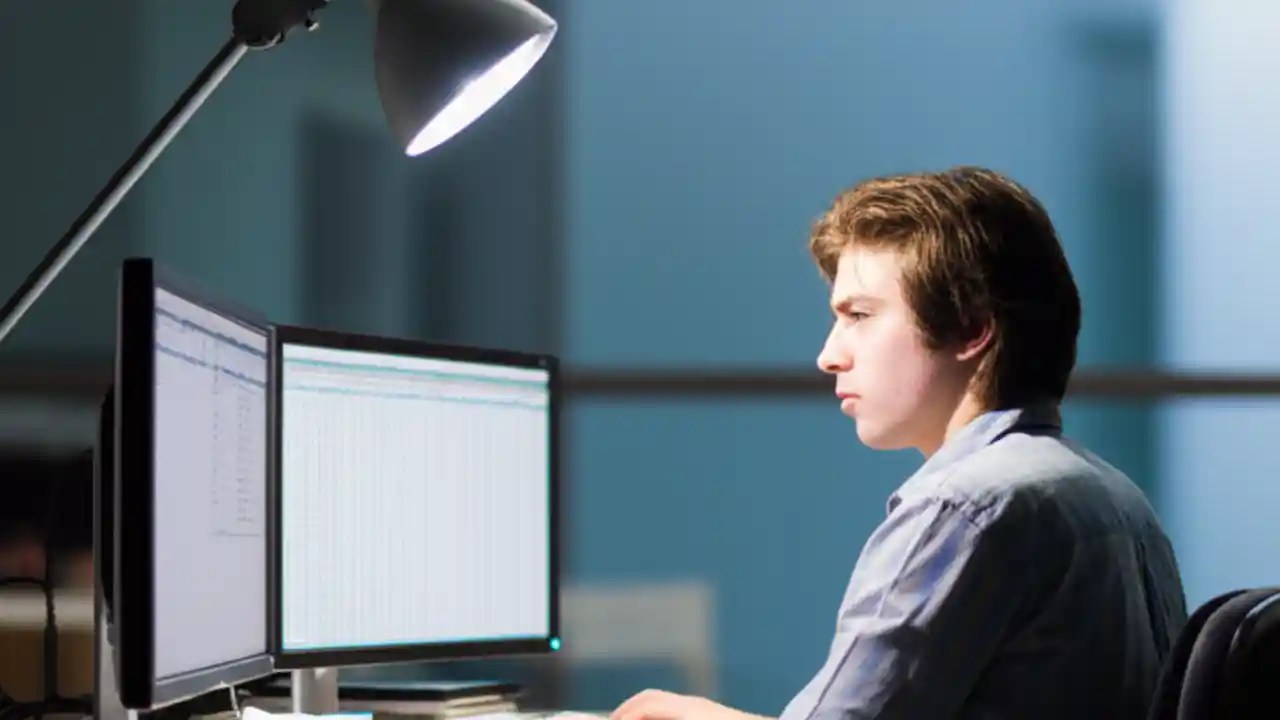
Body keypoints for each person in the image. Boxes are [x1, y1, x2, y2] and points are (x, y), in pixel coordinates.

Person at [607, 167, 1187, 720]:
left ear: (970, 328)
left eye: (860, 315)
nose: (829, 355)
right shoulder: (1118, 499)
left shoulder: (964, 508)